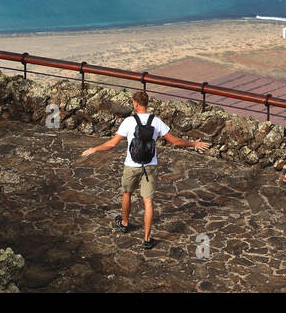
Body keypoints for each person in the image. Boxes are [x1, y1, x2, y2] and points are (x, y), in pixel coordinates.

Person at [80, 90, 211, 249]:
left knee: (127, 193)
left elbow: (112, 144)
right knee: (148, 202)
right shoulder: (156, 121)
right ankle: (147, 239)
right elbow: (175, 142)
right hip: (149, 166)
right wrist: (193, 144)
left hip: (131, 165)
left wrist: (95, 148)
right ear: (146, 104)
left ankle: (125, 223)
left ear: (135, 104)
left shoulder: (129, 121)